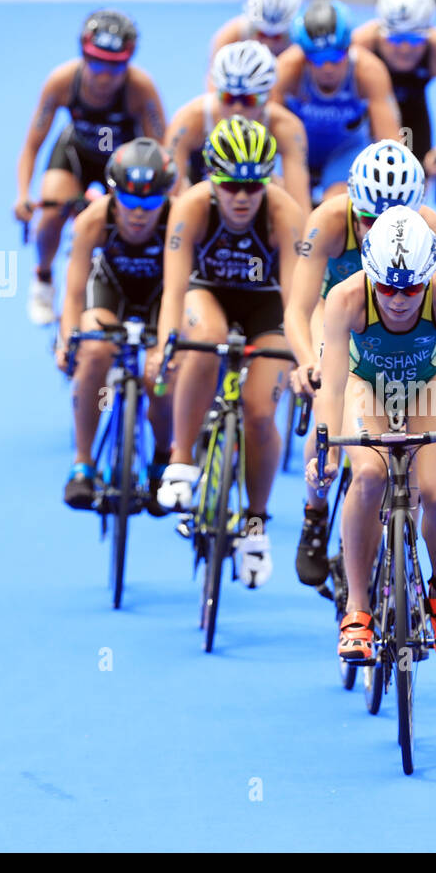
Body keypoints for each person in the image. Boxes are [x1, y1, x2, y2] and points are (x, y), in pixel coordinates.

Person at [307, 207, 436, 664]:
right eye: (385, 287)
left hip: (429, 385)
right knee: (367, 475)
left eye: (410, 288)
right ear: (369, 274)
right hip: (367, 386)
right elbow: (333, 386)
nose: (399, 299)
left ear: (430, 276)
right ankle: (357, 610)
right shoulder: (346, 298)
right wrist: (324, 446)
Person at [283, 140, 436, 588]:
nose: (383, 231)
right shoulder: (328, 221)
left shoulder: (431, 227)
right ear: (352, 205)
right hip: (337, 315)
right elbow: (299, 309)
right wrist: (307, 362)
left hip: (394, 330)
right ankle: (314, 512)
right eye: (369, 221)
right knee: (327, 385)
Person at [152, 117, 305, 587]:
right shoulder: (191, 206)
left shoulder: (284, 213)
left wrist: (302, 359)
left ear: (267, 181)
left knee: (260, 411)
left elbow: (296, 302)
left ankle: (256, 523)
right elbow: (174, 290)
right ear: (212, 180)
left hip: (267, 307)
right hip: (207, 295)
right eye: (232, 185)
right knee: (204, 341)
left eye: (253, 185)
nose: (242, 197)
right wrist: (163, 347)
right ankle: (181, 459)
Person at [15, 9, 167, 326]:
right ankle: (43, 278)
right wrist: (22, 195)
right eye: (96, 62)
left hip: (127, 166)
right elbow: (32, 145)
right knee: (50, 215)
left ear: (128, 63)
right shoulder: (61, 82)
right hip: (77, 155)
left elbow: (163, 154)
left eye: (115, 66)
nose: (103, 75)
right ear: (83, 54)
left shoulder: (141, 89)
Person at [56, 139, 178, 512]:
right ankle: (83, 464)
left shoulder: (179, 220)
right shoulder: (93, 220)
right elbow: (75, 293)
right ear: (113, 194)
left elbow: (178, 288)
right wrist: (66, 341)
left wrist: (165, 348)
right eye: (130, 203)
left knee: (164, 372)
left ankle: (161, 460)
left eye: (151, 203)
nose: (140, 214)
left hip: (161, 297)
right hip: (110, 291)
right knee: (93, 351)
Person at [275, 0, 401, 204]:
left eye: (336, 57)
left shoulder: (369, 71)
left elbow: (389, 139)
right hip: (297, 151)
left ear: (349, 48)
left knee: (338, 203)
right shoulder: (287, 69)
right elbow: (266, 127)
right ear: (305, 56)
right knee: (292, 204)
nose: (327, 67)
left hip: (345, 150)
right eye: (317, 59)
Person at [352, 0, 436, 201]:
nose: (404, 49)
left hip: (414, 116)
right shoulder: (361, 44)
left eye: (414, 39)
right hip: (368, 116)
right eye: (395, 39)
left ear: (429, 32)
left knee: (412, 196)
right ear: (381, 31)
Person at [166, 40, 311, 214]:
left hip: (254, 207)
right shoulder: (190, 120)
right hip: (200, 205)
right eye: (228, 98)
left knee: (275, 188)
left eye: (248, 100)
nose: (237, 108)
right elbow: (168, 198)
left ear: (268, 97)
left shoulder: (286, 127)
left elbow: (299, 205)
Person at [206, 0, 304, 76]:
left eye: (277, 37)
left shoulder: (300, 43)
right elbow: (214, 85)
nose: (268, 45)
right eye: (261, 34)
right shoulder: (230, 36)